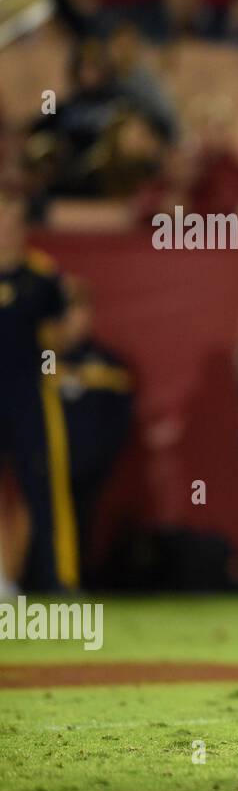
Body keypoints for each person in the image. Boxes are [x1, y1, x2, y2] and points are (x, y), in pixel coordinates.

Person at [0, 185, 72, 594]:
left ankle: (41, 578)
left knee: (36, 484)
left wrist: (50, 355)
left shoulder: (41, 277)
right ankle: (2, 577)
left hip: (27, 393)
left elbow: (56, 335)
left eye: (12, 221)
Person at [54, 278, 134, 587]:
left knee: (84, 528)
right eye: (66, 310)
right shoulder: (43, 362)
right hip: (46, 466)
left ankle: (76, 583)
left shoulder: (109, 364)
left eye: (79, 309)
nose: (73, 319)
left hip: (89, 467)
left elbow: (118, 421)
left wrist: (98, 459)